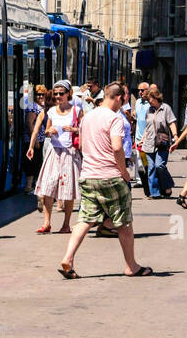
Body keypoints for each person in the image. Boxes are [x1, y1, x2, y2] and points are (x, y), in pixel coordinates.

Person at [59, 83, 152, 278]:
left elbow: (83, 146)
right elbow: (117, 147)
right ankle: (131, 266)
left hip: (88, 176)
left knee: (85, 219)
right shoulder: (114, 119)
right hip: (110, 177)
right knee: (124, 222)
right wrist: (124, 171)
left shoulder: (87, 117)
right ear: (118, 98)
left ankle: (68, 258)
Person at [28, 79, 81, 233]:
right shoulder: (51, 111)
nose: (58, 96)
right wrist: (49, 132)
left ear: (68, 94)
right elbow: (46, 130)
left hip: (70, 152)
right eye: (56, 93)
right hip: (54, 151)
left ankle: (66, 224)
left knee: (68, 189)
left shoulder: (77, 110)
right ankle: (47, 222)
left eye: (61, 93)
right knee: (47, 186)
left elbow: (84, 129)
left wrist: (73, 129)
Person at [141, 85, 178, 199]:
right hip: (149, 143)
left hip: (162, 142)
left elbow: (171, 122)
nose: (148, 101)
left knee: (159, 165)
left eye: (150, 99)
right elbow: (148, 126)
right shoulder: (149, 110)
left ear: (156, 97)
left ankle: (167, 185)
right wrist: (142, 139)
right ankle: (155, 193)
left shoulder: (166, 108)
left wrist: (175, 136)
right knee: (151, 168)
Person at [22, 84, 48, 192]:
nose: (40, 97)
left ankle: (33, 185)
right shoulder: (33, 106)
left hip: (40, 139)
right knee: (32, 163)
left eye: (42, 94)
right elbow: (29, 123)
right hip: (33, 140)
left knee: (37, 162)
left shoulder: (40, 106)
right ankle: (28, 186)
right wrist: (35, 140)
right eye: (38, 94)